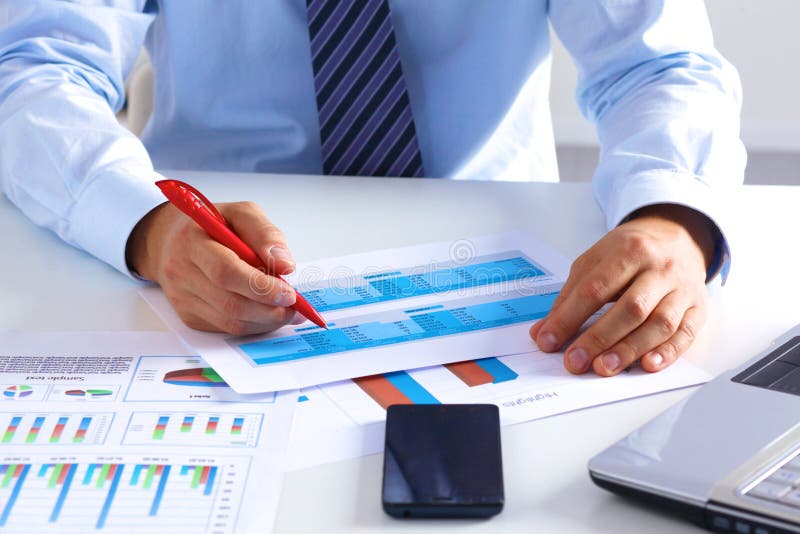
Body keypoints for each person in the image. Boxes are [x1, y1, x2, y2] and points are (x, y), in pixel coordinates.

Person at [0, 1, 745, 377]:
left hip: (500, 261)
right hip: (205, 258)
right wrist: (147, 225)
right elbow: (32, 69)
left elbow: (662, 64)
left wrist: (674, 217)